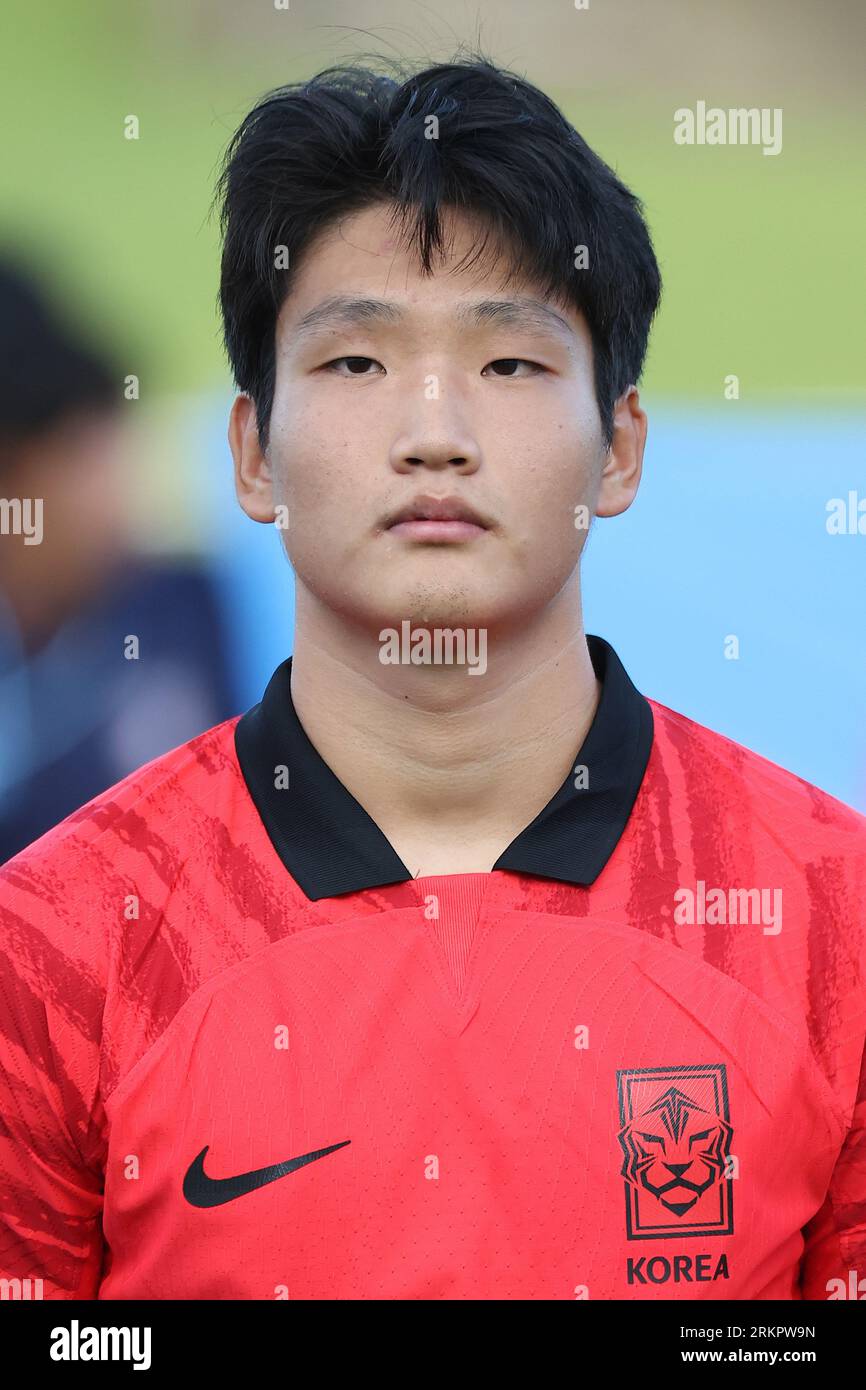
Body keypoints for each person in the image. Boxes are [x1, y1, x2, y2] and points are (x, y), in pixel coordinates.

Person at [0, 55, 863, 1302]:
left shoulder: (827, 925)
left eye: (509, 365)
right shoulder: (51, 946)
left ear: (618, 446)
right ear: (252, 453)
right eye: (355, 364)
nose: (433, 430)